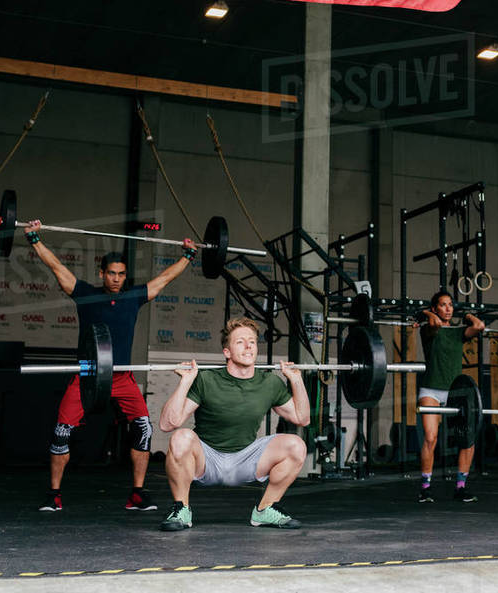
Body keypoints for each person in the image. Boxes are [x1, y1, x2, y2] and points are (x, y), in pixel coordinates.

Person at [28, 218, 198, 513]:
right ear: (101, 273)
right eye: (111, 273)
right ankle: (54, 494)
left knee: (143, 429)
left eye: (121, 274)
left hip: (122, 378)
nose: (116, 279)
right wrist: (34, 239)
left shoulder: (134, 298)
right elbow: (57, 267)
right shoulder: (86, 295)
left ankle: (137, 494)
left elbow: (165, 279)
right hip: (87, 376)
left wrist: (189, 255)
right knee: (61, 432)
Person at [157, 316, 310, 531]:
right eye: (240, 342)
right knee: (181, 437)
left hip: (246, 459)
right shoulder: (207, 380)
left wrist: (296, 380)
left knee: (296, 445)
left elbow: (302, 418)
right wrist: (185, 381)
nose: (248, 346)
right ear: (227, 352)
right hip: (207, 459)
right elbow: (167, 423)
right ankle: (181, 509)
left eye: (252, 341)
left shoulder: (270, 383)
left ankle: (265, 509)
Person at [416, 290, 485, 503]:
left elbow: (479, 326)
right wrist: (425, 313)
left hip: (456, 392)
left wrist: (466, 316)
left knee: (468, 439)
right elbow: (435, 324)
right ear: (435, 308)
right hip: (431, 390)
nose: (448, 309)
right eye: (443, 305)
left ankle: (461, 487)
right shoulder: (429, 330)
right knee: (430, 438)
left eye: (450, 305)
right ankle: (426, 488)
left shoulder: (458, 332)